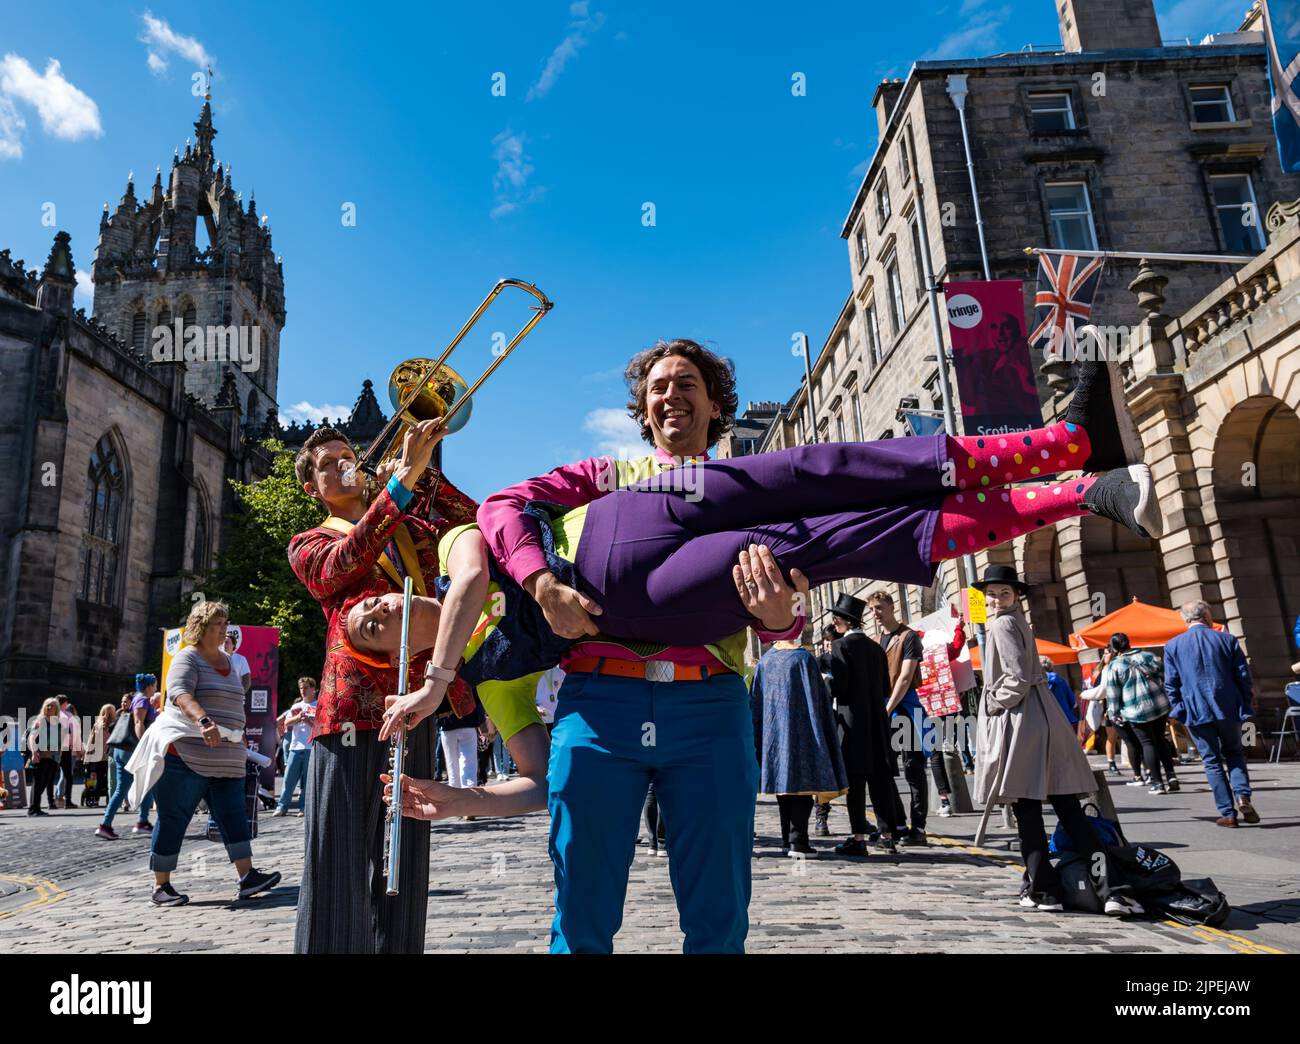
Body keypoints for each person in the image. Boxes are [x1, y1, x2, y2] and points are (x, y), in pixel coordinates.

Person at [287, 419, 478, 954]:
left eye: (347, 455)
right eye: (327, 464)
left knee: (406, 864)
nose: (343, 464)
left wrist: (423, 472)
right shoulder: (309, 541)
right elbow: (340, 567)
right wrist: (395, 490)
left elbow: (473, 521)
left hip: (414, 705)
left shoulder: (403, 523)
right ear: (313, 489)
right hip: (349, 713)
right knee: (337, 865)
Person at [972, 565, 1142, 916]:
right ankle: (1112, 891)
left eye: (1004, 593)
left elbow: (1016, 678)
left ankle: (1042, 890)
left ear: (1015, 595)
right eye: (992, 593)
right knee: (1070, 811)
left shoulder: (1001, 623)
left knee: (1028, 810)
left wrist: (991, 701)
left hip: (1022, 722)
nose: (996, 599)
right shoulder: (1019, 620)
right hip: (1045, 717)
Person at [138, 600, 280, 906]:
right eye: (217, 623)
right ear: (201, 627)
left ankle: (247, 877)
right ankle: (161, 885)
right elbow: (179, 693)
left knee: (233, 816)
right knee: (174, 817)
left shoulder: (229, 662)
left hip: (226, 758)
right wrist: (204, 720)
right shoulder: (187, 657)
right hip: (187, 755)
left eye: (225, 622)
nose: (223, 628)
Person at [751, 635, 848, 856]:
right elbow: (819, 698)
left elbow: (756, 700)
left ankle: (788, 838)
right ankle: (798, 842)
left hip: (774, 733)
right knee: (804, 784)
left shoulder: (765, 661)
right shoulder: (803, 659)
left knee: (783, 785)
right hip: (802, 729)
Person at [1164, 601, 1259, 827]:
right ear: (1206, 616)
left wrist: (1179, 709)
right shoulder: (1227, 639)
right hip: (1227, 707)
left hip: (1195, 709)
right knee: (1234, 753)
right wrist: (1245, 702)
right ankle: (1242, 795)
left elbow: (1171, 683)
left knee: (1212, 761)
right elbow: (1243, 675)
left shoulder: (1173, 645)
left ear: (1185, 619)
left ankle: (1228, 813)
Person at [825, 595, 904, 857]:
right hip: (878, 720)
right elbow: (884, 687)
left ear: (842, 621)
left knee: (856, 783)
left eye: (835, 619)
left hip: (852, 722)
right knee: (880, 780)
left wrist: (826, 682)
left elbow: (842, 687)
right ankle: (887, 836)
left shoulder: (840, 648)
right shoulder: (876, 648)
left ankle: (858, 837)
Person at [868, 590, 930, 847]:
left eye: (880, 608)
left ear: (892, 606)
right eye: (872, 610)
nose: (876, 614)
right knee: (883, 767)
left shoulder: (909, 636)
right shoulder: (877, 640)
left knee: (913, 768)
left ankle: (919, 827)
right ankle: (898, 822)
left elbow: (905, 678)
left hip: (905, 710)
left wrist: (888, 707)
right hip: (886, 709)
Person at [1102, 634, 1179, 795]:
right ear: (1129, 643)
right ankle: (1171, 776)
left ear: (1115, 648)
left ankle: (1158, 783)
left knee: (1147, 743)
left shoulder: (1115, 666)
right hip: (1159, 705)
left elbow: (1113, 694)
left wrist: (1113, 713)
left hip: (1135, 710)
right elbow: (1165, 677)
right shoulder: (1148, 656)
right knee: (1160, 739)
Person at [96, 675, 159, 840]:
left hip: (123, 750)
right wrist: (143, 746)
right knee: (147, 783)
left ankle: (107, 824)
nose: (156, 688)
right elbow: (139, 723)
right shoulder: (143, 700)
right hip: (131, 750)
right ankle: (141, 822)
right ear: (150, 686)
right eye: (155, 685)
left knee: (126, 788)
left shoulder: (139, 699)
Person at [273, 678, 317, 817]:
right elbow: (287, 722)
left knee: (307, 781)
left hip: (311, 747)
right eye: (301, 688)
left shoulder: (319, 706)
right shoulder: (296, 706)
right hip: (295, 747)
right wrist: (298, 717)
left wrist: (309, 721)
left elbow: (320, 727)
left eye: (306, 688)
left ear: (313, 689)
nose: (303, 691)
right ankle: (282, 807)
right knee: (289, 779)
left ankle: (303, 807)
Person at [25, 698, 63, 816]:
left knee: (44, 782)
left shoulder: (56, 722)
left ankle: (36, 807)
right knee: (38, 782)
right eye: (47, 706)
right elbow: (32, 737)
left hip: (51, 757)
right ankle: (33, 809)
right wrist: (34, 752)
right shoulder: (41, 720)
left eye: (52, 706)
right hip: (41, 756)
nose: (49, 708)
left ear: (56, 708)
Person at [82, 704, 116, 807]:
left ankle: (96, 799)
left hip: (98, 756)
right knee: (109, 778)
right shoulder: (114, 724)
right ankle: (109, 798)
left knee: (99, 778)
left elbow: (90, 741)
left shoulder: (97, 725)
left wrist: (87, 754)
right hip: (109, 755)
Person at [56, 696, 82, 809]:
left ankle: (55, 799)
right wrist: (77, 748)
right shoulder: (66, 716)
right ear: (64, 703)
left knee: (53, 775)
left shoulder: (55, 715)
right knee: (67, 775)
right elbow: (73, 734)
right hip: (66, 749)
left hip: (55, 748)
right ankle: (64, 799)